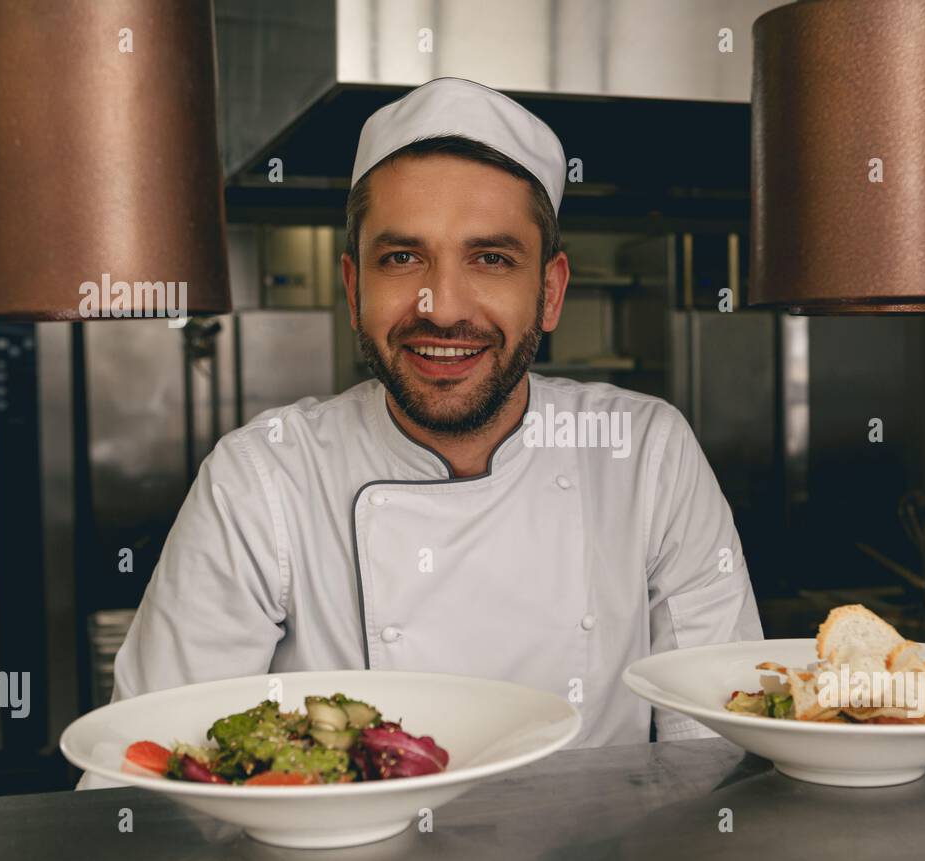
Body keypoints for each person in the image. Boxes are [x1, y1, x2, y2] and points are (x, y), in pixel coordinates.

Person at [80, 77, 761, 788]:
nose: (442, 308)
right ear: (354, 289)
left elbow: (714, 757)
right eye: (403, 258)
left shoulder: (646, 455)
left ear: (550, 291)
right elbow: (144, 778)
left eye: (491, 259)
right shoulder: (262, 479)